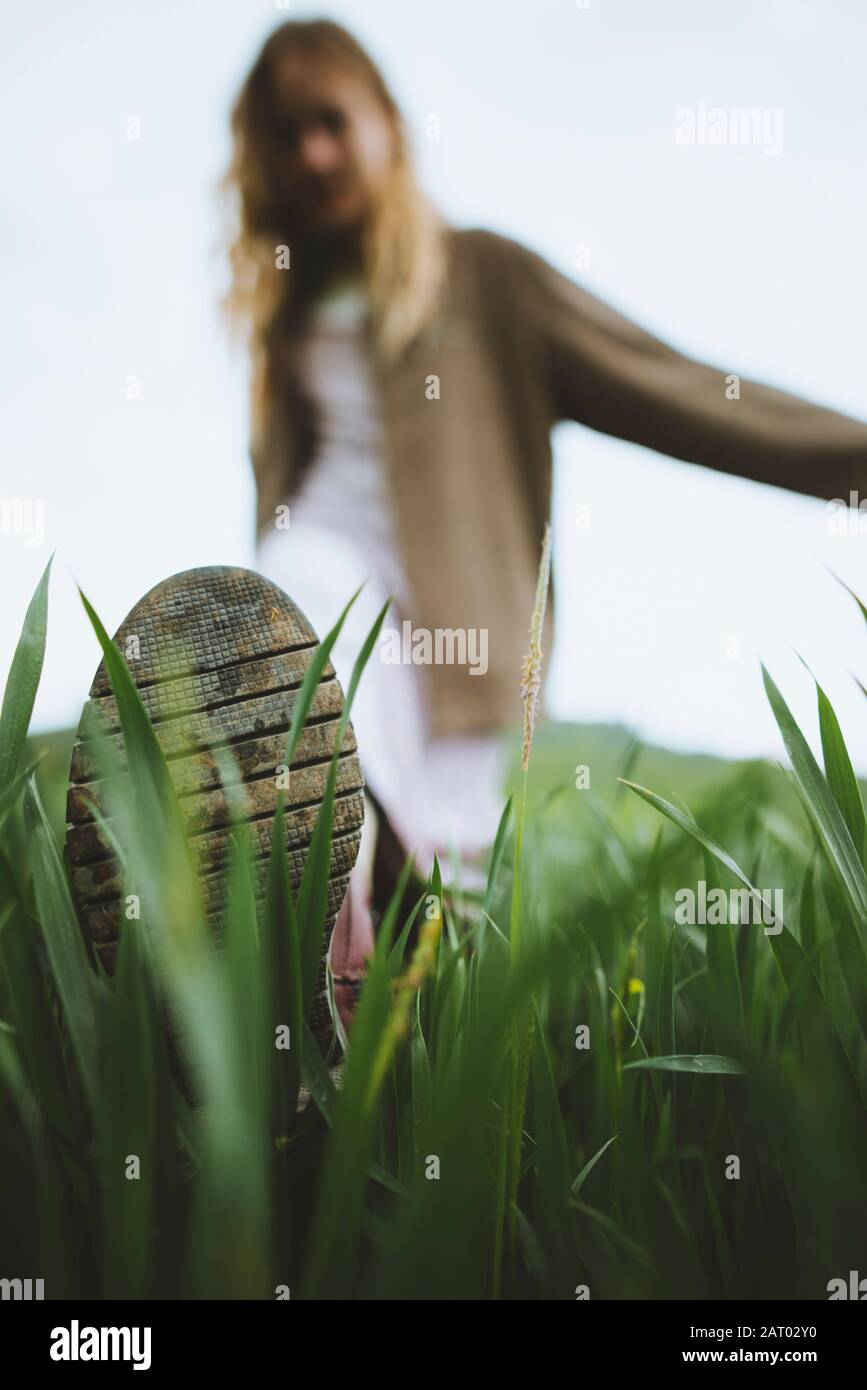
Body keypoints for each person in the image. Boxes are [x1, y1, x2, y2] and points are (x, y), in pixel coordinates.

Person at [221, 18, 867, 1031]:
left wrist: (852, 459)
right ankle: (293, 998)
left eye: (329, 122)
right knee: (307, 652)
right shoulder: (286, 321)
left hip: (464, 648)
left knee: (444, 935)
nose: (311, 154)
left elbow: (676, 385)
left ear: (387, 124)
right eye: (284, 137)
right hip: (329, 590)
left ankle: (404, 1123)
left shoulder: (484, 278)